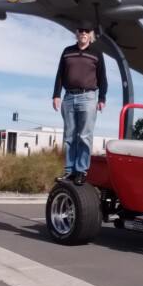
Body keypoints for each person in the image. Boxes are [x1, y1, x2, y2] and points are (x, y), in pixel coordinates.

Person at [52, 22, 107, 185]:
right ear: (76, 33)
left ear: (91, 34)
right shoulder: (67, 51)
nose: (83, 33)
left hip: (88, 97)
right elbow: (60, 75)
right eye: (81, 30)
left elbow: (102, 77)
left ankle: (81, 171)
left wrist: (102, 98)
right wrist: (56, 95)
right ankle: (70, 171)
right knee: (69, 136)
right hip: (69, 97)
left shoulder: (96, 53)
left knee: (84, 136)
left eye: (87, 31)